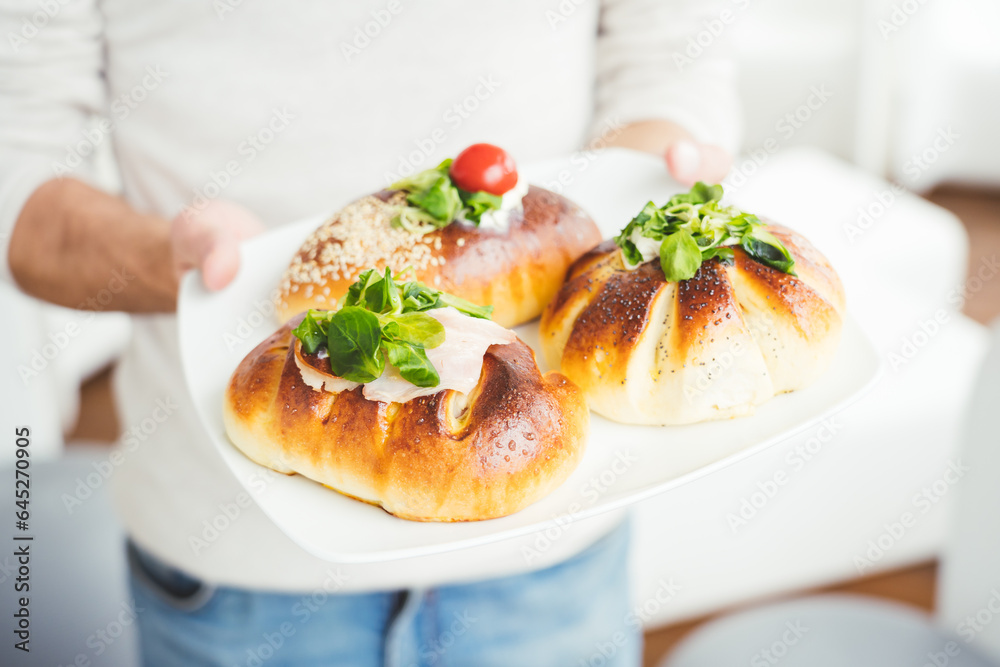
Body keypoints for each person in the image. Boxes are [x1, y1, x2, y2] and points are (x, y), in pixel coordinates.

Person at [1, 1, 739, 664]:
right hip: (236, 569)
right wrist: (178, 265)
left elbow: (671, 52)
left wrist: (643, 185)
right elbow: (17, 162)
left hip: (552, 548)